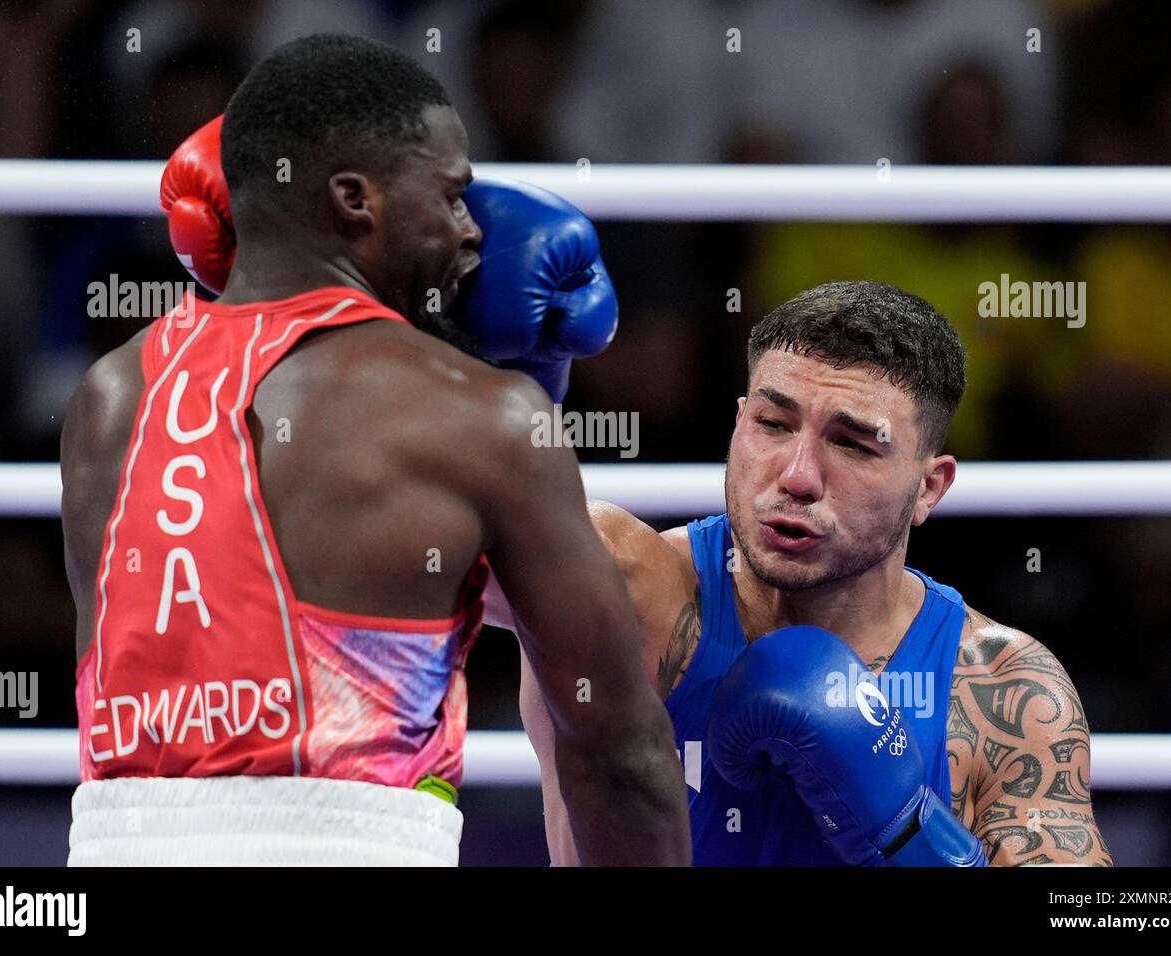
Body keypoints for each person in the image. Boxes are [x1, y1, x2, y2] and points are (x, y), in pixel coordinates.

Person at [60, 33, 688, 866]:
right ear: (357, 202)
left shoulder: (107, 395)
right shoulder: (482, 415)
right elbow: (615, 750)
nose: (474, 231)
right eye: (454, 196)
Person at [500, 281, 1113, 866]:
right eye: (773, 424)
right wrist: (490, 377)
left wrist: (910, 839)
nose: (797, 476)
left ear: (929, 487)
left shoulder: (999, 690)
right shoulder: (620, 588)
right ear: (739, 423)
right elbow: (422, 531)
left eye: (851, 444)